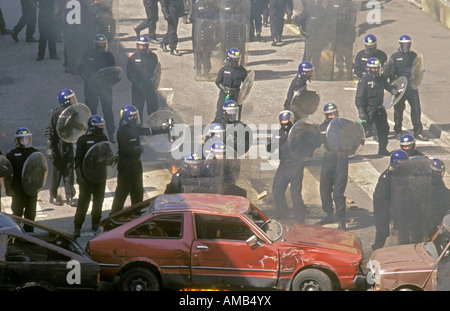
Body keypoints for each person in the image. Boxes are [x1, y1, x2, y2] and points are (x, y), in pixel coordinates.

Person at [110, 105, 169, 215]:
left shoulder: (133, 128)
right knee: (122, 192)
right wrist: (137, 149)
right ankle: (114, 215)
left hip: (136, 164)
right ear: (129, 117)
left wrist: (163, 129)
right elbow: (124, 148)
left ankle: (136, 214)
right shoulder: (122, 130)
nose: (137, 118)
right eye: (135, 116)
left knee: (137, 191)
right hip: (126, 166)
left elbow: (146, 131)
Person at [73, 115, 109, 238]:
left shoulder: (104, 138)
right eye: (99, 126)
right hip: (86, 177)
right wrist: (79, 176)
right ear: (93, 127)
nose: (102, 128)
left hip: (99, 176)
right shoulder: (83, 140)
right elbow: (78, 159)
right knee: (83, 203)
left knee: (98, 203)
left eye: (102, 125)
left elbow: (107, 154)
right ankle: (77, 226)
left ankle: (95, 224)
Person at [355, 57, 398, 156]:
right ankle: (352, 150)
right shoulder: (364, 80)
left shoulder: (381, 78)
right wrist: (361, 112)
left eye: (377, 68)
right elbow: (359, 98)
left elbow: (387, 86)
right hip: (368, 109)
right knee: (362, 131)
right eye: (373, 68)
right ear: (369, 69)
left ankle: (382, 149)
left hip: (379, 108)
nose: (376, 70)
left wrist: (393, 90)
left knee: (384, 129)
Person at [389, 35, 428, 141]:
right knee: (398, 110)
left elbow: (419, 70)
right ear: (400, 44)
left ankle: (418, 131)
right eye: (404, 44)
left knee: (416, 109)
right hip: (400, 87)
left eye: (407, 44)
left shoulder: (414, 56)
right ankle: (398, 131)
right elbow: (391, 75)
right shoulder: (395, 57)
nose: (406, 46)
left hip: (411, 86)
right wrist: (393, 89)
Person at [79, 34, 117, 142]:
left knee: (108, 110)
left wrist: (109, 83)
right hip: (91, 86)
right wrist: (87, 79)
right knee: (91, 110)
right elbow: (81, 68)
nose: (101, 45)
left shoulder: (109, 56)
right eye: (99, 44)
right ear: (95, 44)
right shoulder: (88, 54)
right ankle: (91, 132)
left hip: (105, 87)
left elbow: (114, 72)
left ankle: (111, 133)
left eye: (102, 43)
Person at [269, 110, 307, 222]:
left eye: (287, 120)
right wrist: (269, 145)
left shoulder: (297, 132)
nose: (285, 122)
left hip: (296, 164)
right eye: (283, 120)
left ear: (291, 120)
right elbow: (271, 150)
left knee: (295, 193)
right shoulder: (278, 134)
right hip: (284, 164)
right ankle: (283, 212)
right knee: (277, 190)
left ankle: (300, 219)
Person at [317, 103, 349, 230]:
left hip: (341, 158)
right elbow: (315, 141)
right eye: (329, 114)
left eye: (334, 113)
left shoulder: (344, 125)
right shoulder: (322, 127)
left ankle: (341, 220)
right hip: (328, 158)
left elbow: (355, 138)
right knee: (324, 189)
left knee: (338, 193)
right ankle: (329, 214)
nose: (332, 116)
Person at [45, 89, 77, 207]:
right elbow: (49, 131)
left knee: (69, 172)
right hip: (57, 146)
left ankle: (69, 196)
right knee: (56, 172)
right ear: (66, 100)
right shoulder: (54, 113)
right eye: (71, 98)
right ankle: (53, 196)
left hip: (68, 144)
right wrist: (49, 148)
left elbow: (76, 125)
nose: (73, 100)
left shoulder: (73, 112)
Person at [371, 149, 409, 250]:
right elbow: (381, 198)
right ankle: (376, 250)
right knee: (383, 231)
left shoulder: (404, 173)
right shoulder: (386, 177)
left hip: (397, 203)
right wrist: (391, 210)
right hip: (383, 205)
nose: (406, 165)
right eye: (403, 164)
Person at [353, 34, 388, 141]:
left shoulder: (382, 55)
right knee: (364, 108)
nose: (371, 48)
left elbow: (386, 69)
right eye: (368, 46)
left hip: (377, 83)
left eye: (372, 46)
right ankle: (366, 129)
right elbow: (356, 70)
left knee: (375, 107)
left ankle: (376, 131)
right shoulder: (360, 55)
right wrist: (366, 76)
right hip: (365, 84)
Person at [6, 128, 40, 232]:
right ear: (18, 141)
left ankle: (29, 236)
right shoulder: (12, 154)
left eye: (26, 139)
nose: (25, 141)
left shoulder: (34, 153)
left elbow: (40, 170)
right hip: (18, 190)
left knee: (31, 215)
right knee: (17, 214)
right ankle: (16, 236)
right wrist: (9, 188)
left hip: (31, 190)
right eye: (22, 139)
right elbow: (8, 174)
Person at [127, 35, 160, 119]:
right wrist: (137, 82)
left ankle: (153, 127)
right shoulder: (133, 57)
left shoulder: (153, 56)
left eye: (144, 45)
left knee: (153, 110)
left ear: (147, 46)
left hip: (150, 88)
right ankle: (138, 129)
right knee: (137, 111)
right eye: (140, 45)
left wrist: (154, 84)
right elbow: (129, 74)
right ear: (137, 45)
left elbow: (157, 72)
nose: (142, 47)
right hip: (137, 89)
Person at [214, 48, 248, 119]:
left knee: (235, 112)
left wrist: (243, 94)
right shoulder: (224, 70)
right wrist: (224, 89)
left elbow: (246, 82)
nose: (237, 60)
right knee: (221, 112)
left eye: (238, 59)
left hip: (236, 95)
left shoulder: (242, 70)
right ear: (230, 58)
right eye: (235, 59)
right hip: (225, 95)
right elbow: (218, 82)